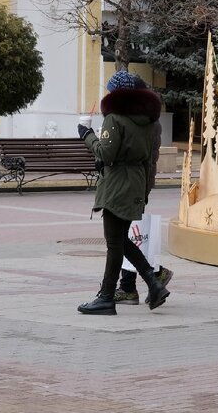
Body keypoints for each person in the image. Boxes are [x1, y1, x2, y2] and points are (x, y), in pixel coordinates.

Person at [77, 70, 170, 315]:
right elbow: (144, 155)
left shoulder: (115, 118)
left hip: (117, 184)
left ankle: (107, 296)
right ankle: (153, 282)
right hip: (136, 181)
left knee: (114, 243)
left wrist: (87, 135)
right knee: (120, 241)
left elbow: (106, 153)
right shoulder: (149, 120)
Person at [114, 75, 173, 305]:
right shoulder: (148, 119)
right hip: (138, 185)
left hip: (134, 186)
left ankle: (148, 278)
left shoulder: (143, 121)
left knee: (121, 238)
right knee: (125, 236)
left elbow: (140, 156)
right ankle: (129, 285)